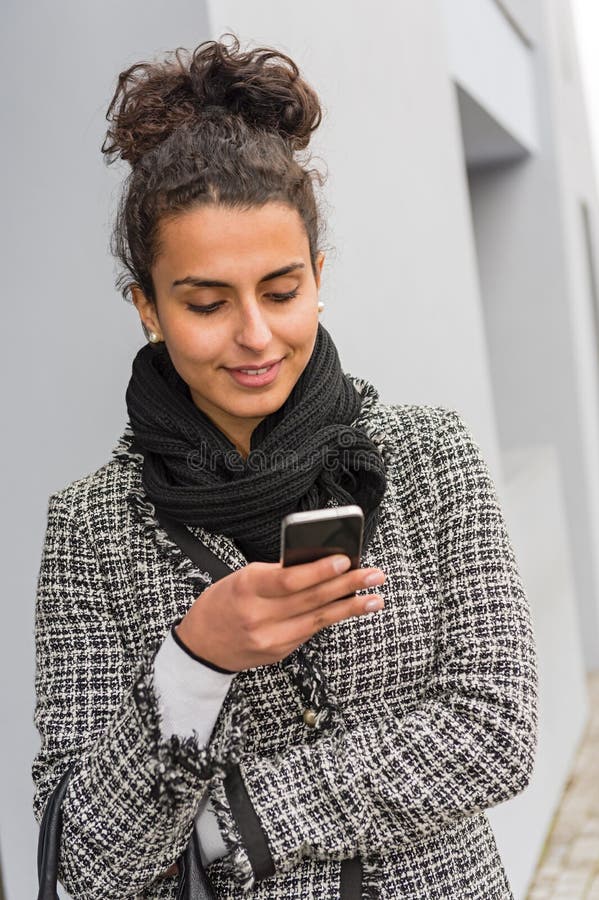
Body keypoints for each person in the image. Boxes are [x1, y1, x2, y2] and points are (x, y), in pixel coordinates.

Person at [31, 33, 539, 899]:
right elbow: (87, 858)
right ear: (147, 308)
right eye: (206, 302)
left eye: (280, 291)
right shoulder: (90, 527)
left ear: (317, 275)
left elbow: (495, 729)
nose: (256, 336)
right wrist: (195, 660)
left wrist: (239, 820)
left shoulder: (429, 457)